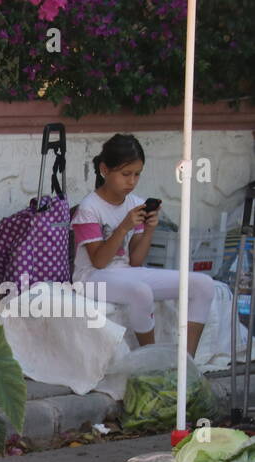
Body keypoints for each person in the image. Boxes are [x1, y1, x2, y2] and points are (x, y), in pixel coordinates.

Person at [72, 133, 214, 355]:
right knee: (141, 292)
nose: (131, 181)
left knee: (203, 284)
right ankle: (153, 362)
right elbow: (99, 262)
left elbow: (136, 260)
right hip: (90, 278)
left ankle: (187, 362)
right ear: (105, 170)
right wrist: (124, 227)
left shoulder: (136, 203)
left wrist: (149, 229)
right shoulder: (89, 208)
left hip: (125, 273)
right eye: (125, 174)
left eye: (137, 174)